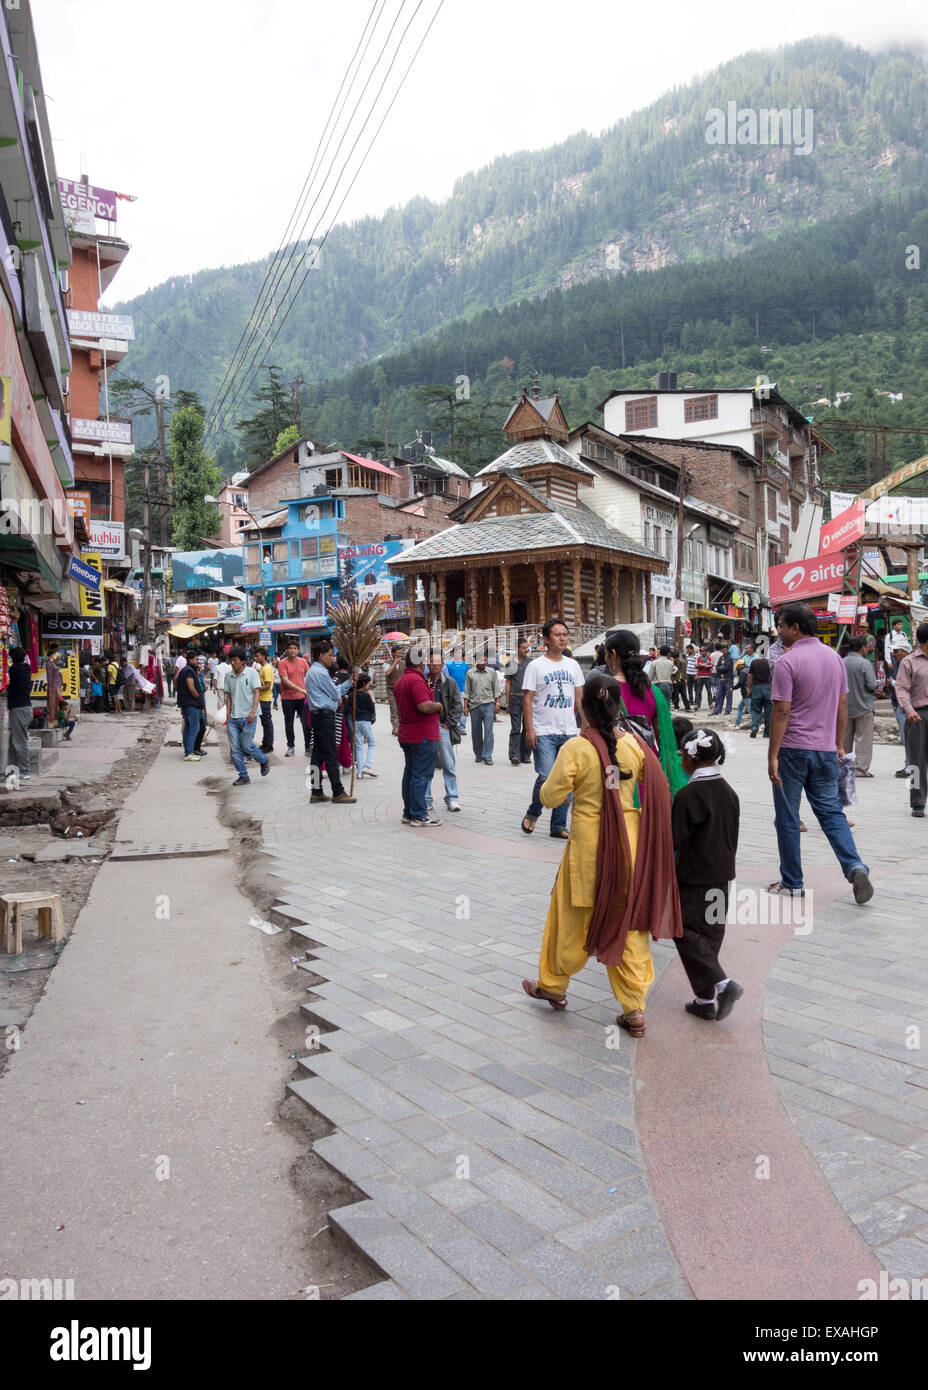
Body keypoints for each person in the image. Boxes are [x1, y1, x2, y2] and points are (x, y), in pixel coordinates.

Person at [521, 673, 682, 1037]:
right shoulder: (637, 746)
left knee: (571, 921)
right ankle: (634, 1009)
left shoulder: (577, 748)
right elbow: (658, 786)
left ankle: (553, 985)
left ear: (584, 707)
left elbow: (549, 798)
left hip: (588, 849)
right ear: (618, 706)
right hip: (632, 846)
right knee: (628, 926)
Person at [768, 603, 873, 903]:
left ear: (795, 629)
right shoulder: (834, 658)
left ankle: (793, 882)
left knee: (788, 816)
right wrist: (838, 743)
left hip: (792, 750)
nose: (779, 631)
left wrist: (772, 754)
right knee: (831, 813)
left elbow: (782, 711)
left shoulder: (788, 663)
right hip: (825, 750)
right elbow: (842, 706)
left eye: (782, 625)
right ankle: (854, 866)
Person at [672, 728, 743, 1021]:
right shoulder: (729, 793)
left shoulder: (689, 795)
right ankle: (703, 1000)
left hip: (693, 877)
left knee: (683, 929)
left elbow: (672, 840)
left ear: (689, 759)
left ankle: (723, 983)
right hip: (721, 876)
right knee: (711, 933)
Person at [599, 629, 687, 797]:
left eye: (605, 653)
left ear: (613, 654)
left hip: (615, 767)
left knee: (618, 815)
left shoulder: (604, 690)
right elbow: (664, 739)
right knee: (645, 817)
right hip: (648, 766)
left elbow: (593, 734)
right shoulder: (653, 692)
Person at [521, 618, 585, 839]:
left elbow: (579, 697)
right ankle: (534, 811)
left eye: (565, 634)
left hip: (568, 731)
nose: (563, 638)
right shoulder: (536, 666)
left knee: (567, 778)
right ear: (546, 639)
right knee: (546, 776)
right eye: (558, 635)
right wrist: (530, 729)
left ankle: (558, 825)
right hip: (543, 731)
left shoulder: (573, 665)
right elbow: (527, 700)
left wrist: (585, 726)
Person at [394, 649, 443, 826]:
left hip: (408, 734)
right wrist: (438, 705)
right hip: (421, 735)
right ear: (421, 663)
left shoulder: (402, 680)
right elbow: (423, 706)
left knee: (411, 773)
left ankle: (409, 812)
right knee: (421, 775)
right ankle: (418, 814)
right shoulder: (416, 680)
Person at [305, 640, 355, 804]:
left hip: (318, 716)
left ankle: (316, 791)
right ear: (321, 655)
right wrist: (348, 684)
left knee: (317, 756)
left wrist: (348, 683)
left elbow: (333, 693)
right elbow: (334, 694)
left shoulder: (314, 671)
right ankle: (338, 792)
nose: (332, 658)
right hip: (324, 717)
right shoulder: (320, 672)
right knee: (331, 755)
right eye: (330, 655)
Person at [895, 622, 928, 818]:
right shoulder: (909, 662)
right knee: (916, 762)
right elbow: (901, 688)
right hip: (917, 716)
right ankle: (917, 803)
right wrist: (908, 710)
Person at [224, 646, 270, 786]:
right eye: (231, 660)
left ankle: (263, 760)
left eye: (235, 660)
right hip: (233, 717)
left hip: (249, 716)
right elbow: (229, 696)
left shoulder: (252, 674)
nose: (232, 663)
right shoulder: (228, 676)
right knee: (235, 749)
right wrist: (227, 715)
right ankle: (243, 775)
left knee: (246, 745)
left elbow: (256, 693)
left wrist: (252, 711)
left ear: (243, 661)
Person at [426, 652, 463, 813]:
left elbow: (457, 705)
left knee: (448, 764)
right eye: (431, 662)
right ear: (427, 664)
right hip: (426, 727)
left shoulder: (449, 682)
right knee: (426, 765)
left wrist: (449, 723)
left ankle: (452, 798)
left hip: (443, 727)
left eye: (437, 662)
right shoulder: (423, 681)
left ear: (442, 664)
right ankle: (426, 799)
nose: (434, 665)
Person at [843, 635, 877, 778]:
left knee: (845, 739)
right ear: (863, 648)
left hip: (845, 708)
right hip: (864, 707)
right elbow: (872, 684)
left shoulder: (841, 662)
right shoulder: (864, 663)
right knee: (863, 740)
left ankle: (843, 767)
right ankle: (861, 769)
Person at [464, 653, 501, 764]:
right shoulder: (470, 673)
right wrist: (465, 706)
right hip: (474, 705)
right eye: (481, 660)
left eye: (485, 660)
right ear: (475, 660)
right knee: (476, 731)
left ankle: (488, 755)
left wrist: (497, 704)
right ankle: (478, 754)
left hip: (488, 704)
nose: (483, 662)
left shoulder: (492, 672)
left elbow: (496, 689)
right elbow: (467, 691)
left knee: (489, 731)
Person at [278, 639, 310, 757]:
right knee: (289, 723)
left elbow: (310, 676)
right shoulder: (282, 663)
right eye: (290, 648)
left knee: (306, 723)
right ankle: (291, 746)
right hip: (287, 698)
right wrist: (302, 690)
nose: (292, 650)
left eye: (294, 648)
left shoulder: (303, 662)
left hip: (302, 698)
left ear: (298, 650)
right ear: (287, 650)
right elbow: (285, 681)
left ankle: (308, 747)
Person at [6, 646, 33, 782]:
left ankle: (24, 771)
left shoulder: (14, 670)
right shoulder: (26, 669)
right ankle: (12, 770)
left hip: (19, 709)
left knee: (19, 741)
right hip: (24, 708)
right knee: (13, 741)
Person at [505, 638, 533, 764]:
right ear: (517, 648)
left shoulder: (531, 663)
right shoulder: (510, 663)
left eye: (527, 647)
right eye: (523, 648)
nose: (526, 650)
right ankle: (514, 755)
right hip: (515, 697)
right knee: (516, 728)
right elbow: (508, 682)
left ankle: (526, 754)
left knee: (528, 726)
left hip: (528, 698)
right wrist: (507, 701)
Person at [177, 648, 206, 763]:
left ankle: (188, 750)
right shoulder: (189, 671)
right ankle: (189, 752)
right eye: (195, 659)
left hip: (187, 703)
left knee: (189, 727)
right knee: (194, 727)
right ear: (190, 660)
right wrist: (198, 698)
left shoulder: (188, 670)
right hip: (190, 704)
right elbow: (191, 687)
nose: (197, 661)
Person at [354, 673, 377, 777]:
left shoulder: (352, 696)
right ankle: (367, 765)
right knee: (371, 743)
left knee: (358, 747)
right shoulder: (367, 695)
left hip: (355, 722)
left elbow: (348, 710)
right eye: (368, 683)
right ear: (364, 684)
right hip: (365, 721)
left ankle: (359, 772)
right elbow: (372, 709)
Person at [254, 647, 275, 754]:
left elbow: (267, 686)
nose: (256, 658)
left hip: (265, 699)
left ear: (263, 656)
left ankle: (269, 744)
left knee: (267, 722)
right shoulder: (263, 668)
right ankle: (266, 742)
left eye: (257, 656)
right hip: (262, 698)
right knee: (265, 722)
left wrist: (255, 688)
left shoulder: (266, 668)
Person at [747, 650, 772, 738]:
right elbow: (772, 678)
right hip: (767, 688)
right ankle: (767, 732)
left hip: (756, 688)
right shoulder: (769, 663)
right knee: (768, 712)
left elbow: (749, 676)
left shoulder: (754, 662)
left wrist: (749, 688)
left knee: (756, 710)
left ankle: (754, 727)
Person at [445, 648, 469, 733]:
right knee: (452, 708)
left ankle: (462, 727)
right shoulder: (448, 664)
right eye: (457, 653)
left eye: (460, 653)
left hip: (462, 690)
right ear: (453, 654)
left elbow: (467, 676)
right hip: (451, 690)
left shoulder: (465, 665)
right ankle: (453, 725)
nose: (459, 654)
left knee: (463, 708)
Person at [384, 645, 405, 737]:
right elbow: (387, 672)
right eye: (397, 654)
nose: (399, 656)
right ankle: (395, 728)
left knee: (401, 708)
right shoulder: (387, 662)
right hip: (391, 689)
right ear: (392, 653)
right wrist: (394, 663)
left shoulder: (403, 663)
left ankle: (401, 727)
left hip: (401, 689)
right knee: (393, 708)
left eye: (400, 654)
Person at [712, 644, 735, 715]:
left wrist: (720, 668)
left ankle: (728, 710)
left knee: (728, 695)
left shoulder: (730, 658)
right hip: (721, 679)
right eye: (723, 650)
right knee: (719, 695)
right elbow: (717, 668)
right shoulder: (721, 658)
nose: (724, 651)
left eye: (725, 650)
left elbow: (727, 668)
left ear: (727, 650)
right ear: (721, 650)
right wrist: (720, 668)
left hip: (728, 679)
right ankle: (717, 710)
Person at [45, 644, 62, 727]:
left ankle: (55, 721)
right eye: (55, 655)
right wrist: (52, 687)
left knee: (56, 704)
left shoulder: (52, 663)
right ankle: (51, 722)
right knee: (52, 704)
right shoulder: (49, 663)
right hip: (53, 686)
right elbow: (49, 676)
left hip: (56, 686)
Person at [694, 645, 714, 709]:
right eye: (702, 651)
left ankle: (710, 704)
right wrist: (705, 664)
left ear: (707, 652)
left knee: (709, 691)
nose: (703, 652)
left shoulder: (709, 658)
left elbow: (711, 666)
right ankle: (698, 704)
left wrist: (701, 664)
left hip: (708, 676)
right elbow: (696, 666)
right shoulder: (698, 658)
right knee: (699, 691)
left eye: (705, 651)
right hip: (700, 676)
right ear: (700, 652)